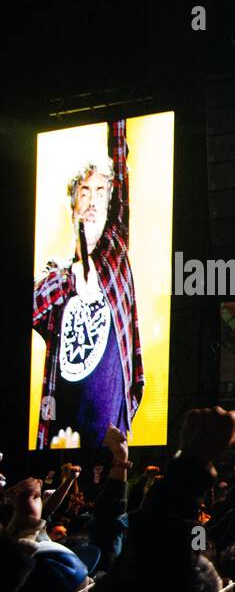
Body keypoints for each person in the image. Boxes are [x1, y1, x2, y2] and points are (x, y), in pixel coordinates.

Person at [33, 119, 144, 449]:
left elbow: (119, 161)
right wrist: (72, 277)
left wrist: (116, 113)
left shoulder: (114, 249)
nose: (93, 200)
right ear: (73, 201)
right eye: (85, 191)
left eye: (100, 192)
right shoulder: (54, 274)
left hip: (108, 437)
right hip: (62, 436)